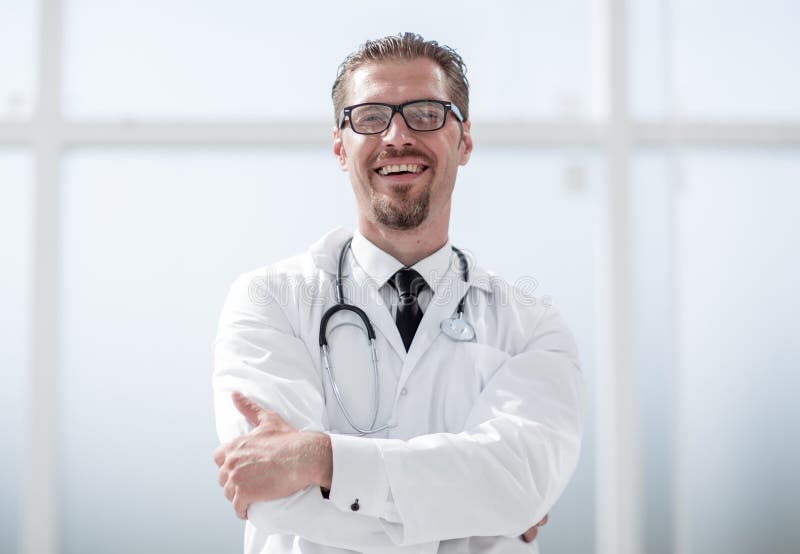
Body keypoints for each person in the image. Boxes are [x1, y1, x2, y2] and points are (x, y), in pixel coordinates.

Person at [213, 32, 585, 554]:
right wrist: (476, 504)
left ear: (465, 139)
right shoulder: (268, 299)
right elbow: (273, 497)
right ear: (340, 146)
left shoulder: (531, 324)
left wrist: (320, 459)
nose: (396, 136)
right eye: (369, 117)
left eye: (427, 114)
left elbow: (522, 483)